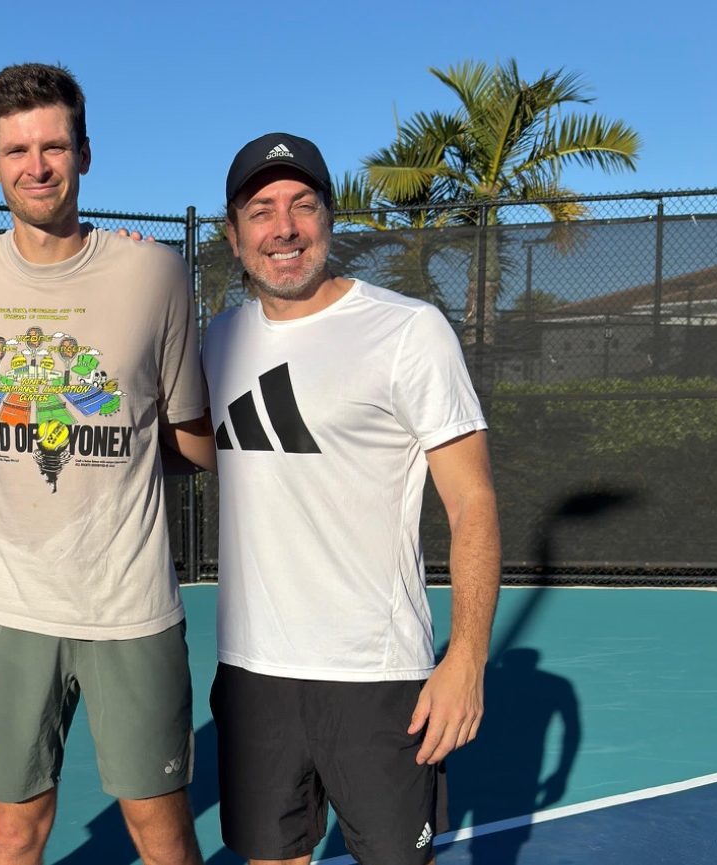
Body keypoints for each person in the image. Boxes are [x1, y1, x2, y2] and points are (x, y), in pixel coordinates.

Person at [0, 63, 214, 865]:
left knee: (161, 831)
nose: (38, 166)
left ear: (84, 153)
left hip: (131, 605)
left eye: (54, 146)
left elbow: (189, 436)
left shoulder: (154, 272)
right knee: (15, 832)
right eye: (18, 150)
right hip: (12, 606)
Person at [203, 132, 501, 865]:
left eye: (303, 205)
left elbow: (473, 503)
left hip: (376, 673)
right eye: (262, 210)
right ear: (234, 233)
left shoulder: (407, 331)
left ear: (329, 220)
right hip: (253, 671)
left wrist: (466, 658)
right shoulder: (217, 341)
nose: (284, 227)